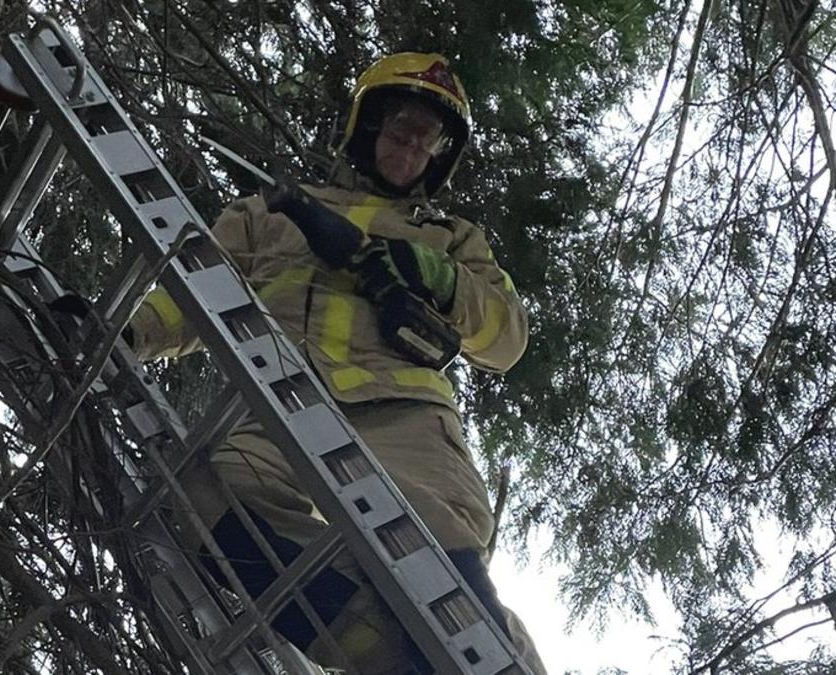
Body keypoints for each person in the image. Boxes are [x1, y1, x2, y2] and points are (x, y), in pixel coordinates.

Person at [126, 52, 547, 675]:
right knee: (211, 501)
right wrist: (127, 334)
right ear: (369, 125)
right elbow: (194, 285)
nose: (411, 146)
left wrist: (432, 272)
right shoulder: (267, 216)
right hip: (281, 399)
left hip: (404, 416)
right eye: (401, 127)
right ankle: (377, 648)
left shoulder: (450, 236)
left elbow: (506, 337)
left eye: (427, 139)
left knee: (429, 543)